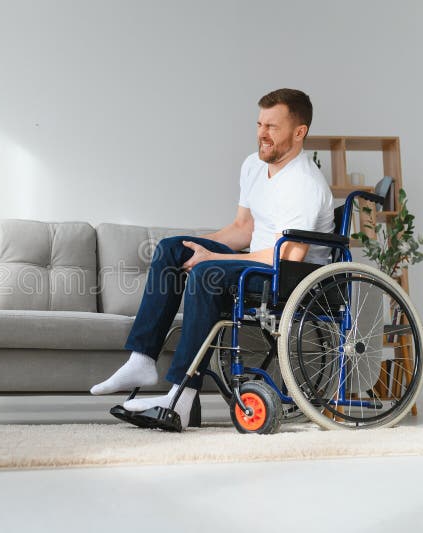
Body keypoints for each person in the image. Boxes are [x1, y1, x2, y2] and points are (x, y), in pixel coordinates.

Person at [90, 88, 334, 428]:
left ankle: (183, 397)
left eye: (272, 127)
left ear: (299, 132)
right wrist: (197, 247)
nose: (262, 133)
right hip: (256, 261)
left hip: (290, 275)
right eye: (259, 123)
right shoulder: (254, 166)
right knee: (173, 249)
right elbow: (242, 228)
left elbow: (289, 255)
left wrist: (210, 260)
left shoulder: (305, 183)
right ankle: (142, 358)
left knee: (208, 272)